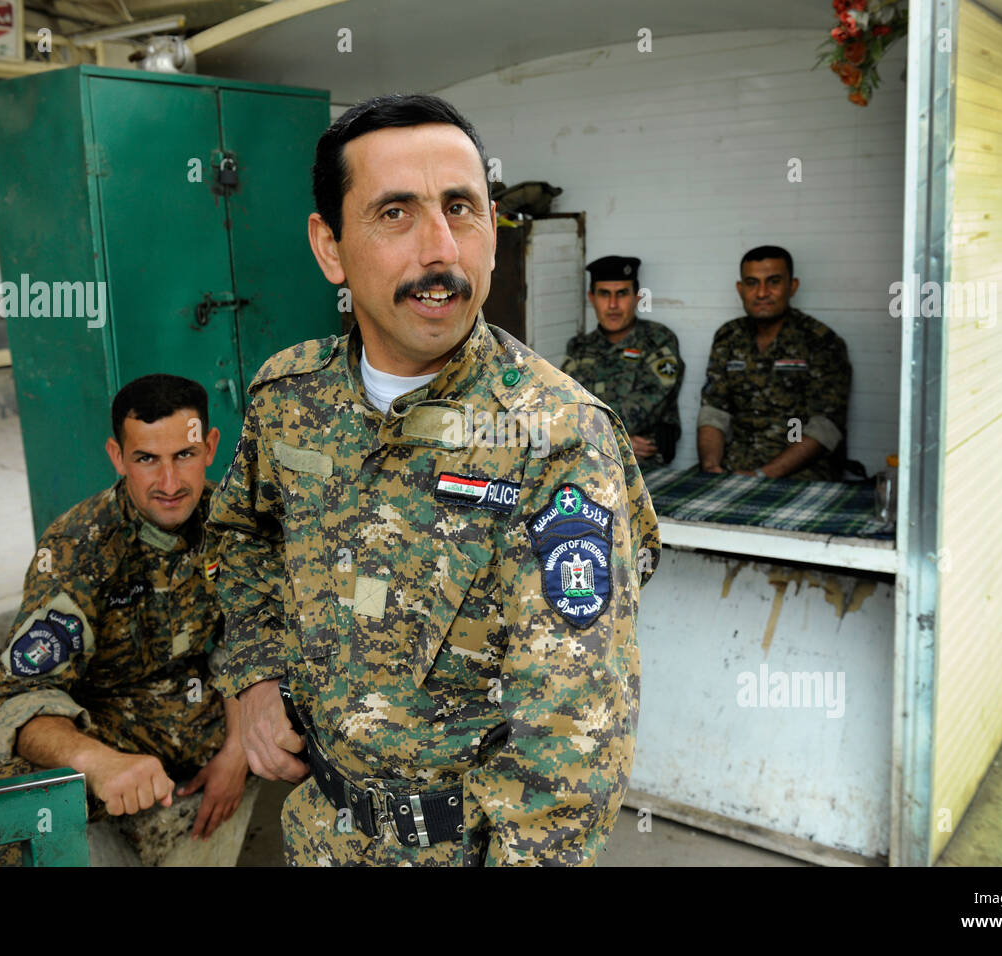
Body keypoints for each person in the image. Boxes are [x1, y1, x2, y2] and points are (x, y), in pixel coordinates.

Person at [206, 92, 660, 867]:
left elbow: (575, 738)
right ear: (330, 246)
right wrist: (251, 677)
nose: (440, 250)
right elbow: (239, 540)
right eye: (395, 213)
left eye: (462, 208)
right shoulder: (289, 398)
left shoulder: (555, 434)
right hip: (318, 834)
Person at [0, 374, 249, 863]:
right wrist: (95, 762)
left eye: (183, 456)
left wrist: (238, 752)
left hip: (202, 710)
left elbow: (249, 644)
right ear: (118, 457)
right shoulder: (78, 548)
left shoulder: (231, 522)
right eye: (146, 459)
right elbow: (17, 694)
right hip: (109, 724)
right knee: (11, 799)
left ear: (208, 448)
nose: (169, 484)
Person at [697, 246, 851, 481]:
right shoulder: (728, 337)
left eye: (773, 281)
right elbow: (714, 412)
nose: (762, 293)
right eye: (752, 283)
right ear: (740, 289)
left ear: (793, 286)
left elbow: (825, 426)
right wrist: (711, 466)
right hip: (733, 468)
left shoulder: (820, 341)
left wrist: (761, 475)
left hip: (800, 473)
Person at [562, 255, 684, 466]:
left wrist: (586, 434)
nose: (612, 304)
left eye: (622, 294)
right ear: (592, 298)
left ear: (637, 298)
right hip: (585, 465)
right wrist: (615, 441)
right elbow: (564, 409)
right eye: (604, 294)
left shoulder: (658, 340)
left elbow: (643, 408)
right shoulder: (579, 348)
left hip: (641, 468)